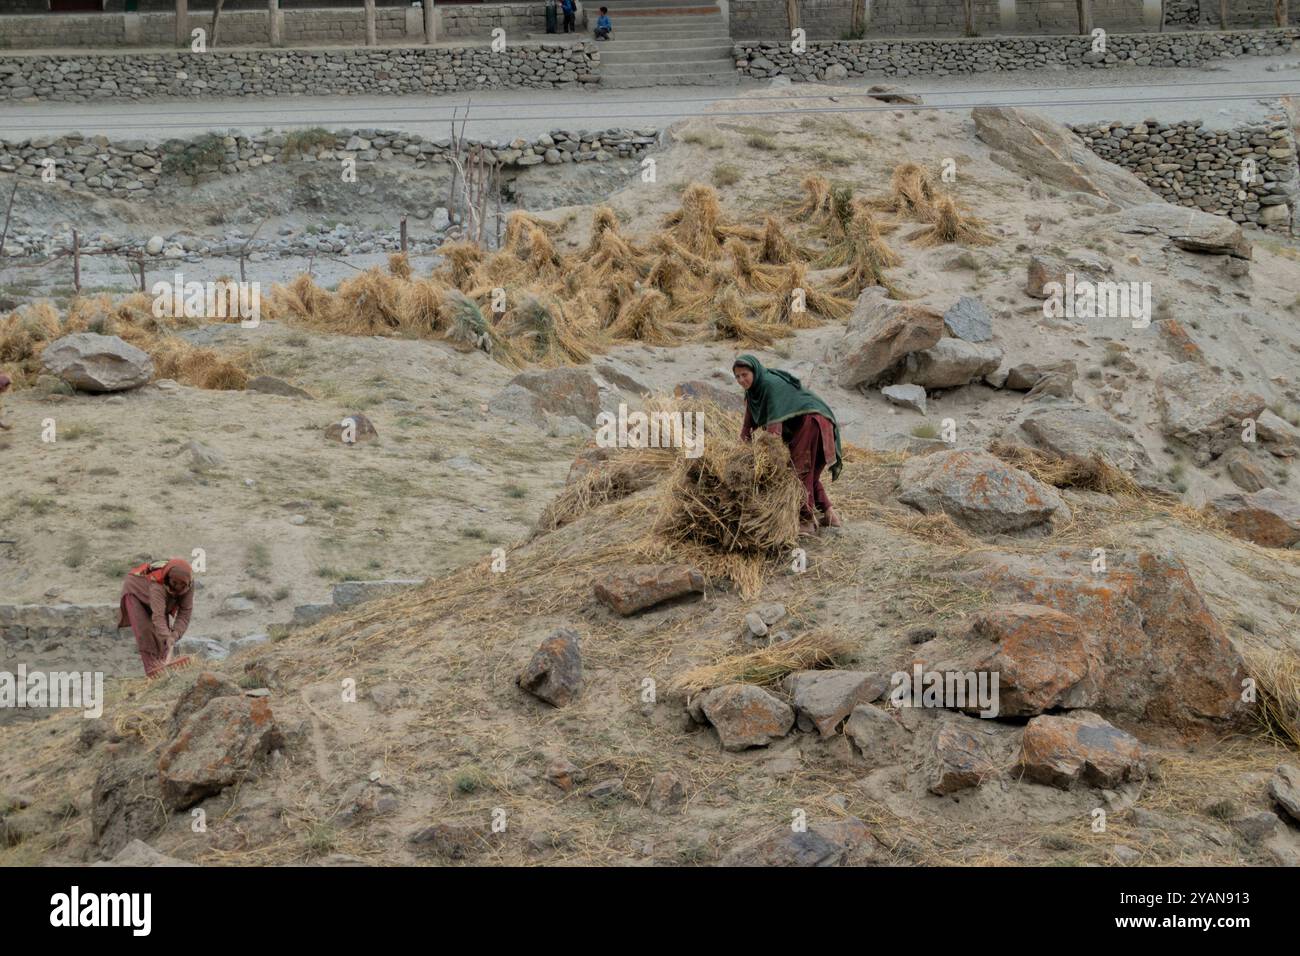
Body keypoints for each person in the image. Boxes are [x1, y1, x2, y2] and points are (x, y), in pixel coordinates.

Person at [733, 354, 843, 537]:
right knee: (810, 474)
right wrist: (739, 455)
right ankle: (830, 515)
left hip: (814, 421)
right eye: (737, 377)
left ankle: (806, 522)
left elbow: (774, 434)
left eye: (745, 374)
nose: (741, 380)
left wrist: (765, 461)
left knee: (798, 471)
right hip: (810, 424)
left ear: (755, 371)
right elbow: (747, 427)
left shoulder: (769, 385)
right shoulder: (753, 392)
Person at [118, 558, 195, 678]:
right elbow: (158, 616)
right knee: (146, 631)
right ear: (168, 578)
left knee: (164, 637)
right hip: (135, 592)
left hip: (159, 601)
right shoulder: (158, 583)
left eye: (182, 585)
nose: (177, 588)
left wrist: (174, 635)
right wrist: (167, 636)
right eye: (174, 583)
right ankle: (153, 673)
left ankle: (165, 667)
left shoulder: (189, 585)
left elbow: (185, 612)